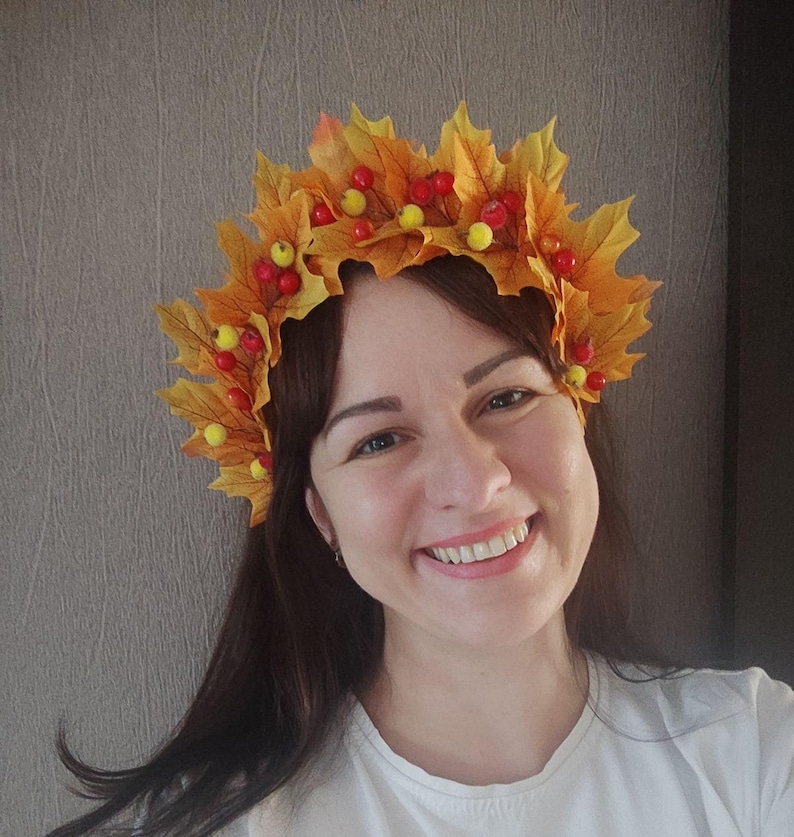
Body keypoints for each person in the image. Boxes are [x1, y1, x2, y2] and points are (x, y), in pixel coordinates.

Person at [50, 105, 794, 837]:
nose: (474, 483)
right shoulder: (233, 824)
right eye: (379, 440)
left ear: (579, 411)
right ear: (320, 514)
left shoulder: (755, 752)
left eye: (506, 398)